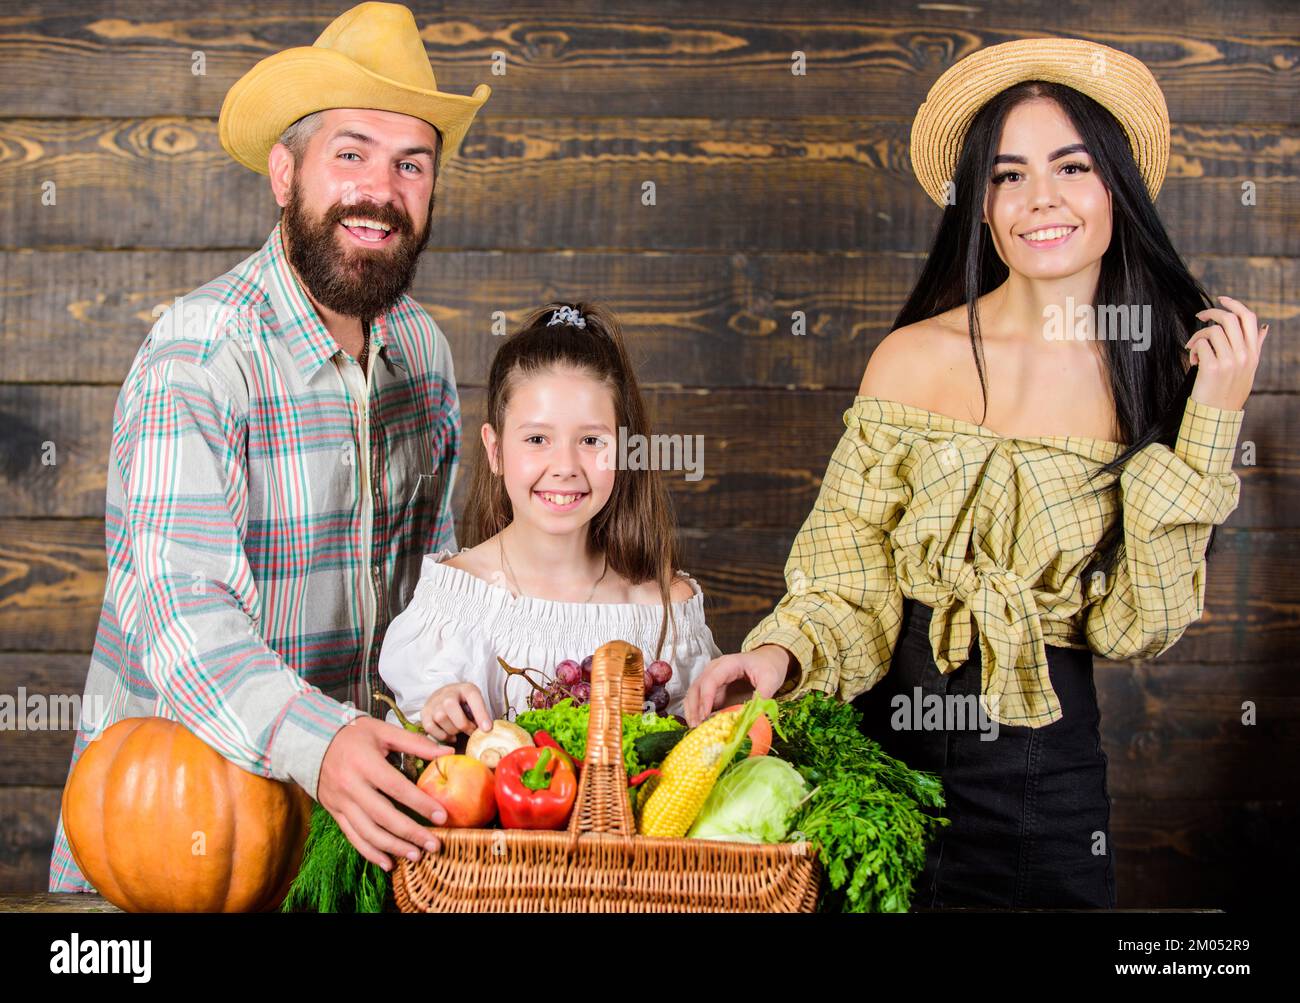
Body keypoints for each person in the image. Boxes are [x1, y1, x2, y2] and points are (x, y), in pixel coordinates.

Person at [685, 36, 1268, 909]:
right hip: (880, 765)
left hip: (1051, 782)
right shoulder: (909, 360)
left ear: (1115, 188)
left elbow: (1134, 628)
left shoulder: (1165, 372)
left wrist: (1213, 419)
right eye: (1008, 175)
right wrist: (773, 654)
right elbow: (850, 575)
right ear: (983, 206)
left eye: (1071, 168)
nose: (1041, 199)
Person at [50, 2, 492, 889]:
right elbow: (179, 610)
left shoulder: (424, 353)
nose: (381, 190)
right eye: (351, 153)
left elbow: (430, 583)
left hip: (356, 840)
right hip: (177, 837)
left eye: (411, 163)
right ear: (285, 175)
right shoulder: (201, 354)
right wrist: (319, 741)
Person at [378, 302, 724, 742]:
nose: (565, 466)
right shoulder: (450, 607)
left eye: (591, 440)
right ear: (496, 450)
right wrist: (437, 716)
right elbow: (414, 752)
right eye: (537, 439)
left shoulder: (664, 611)